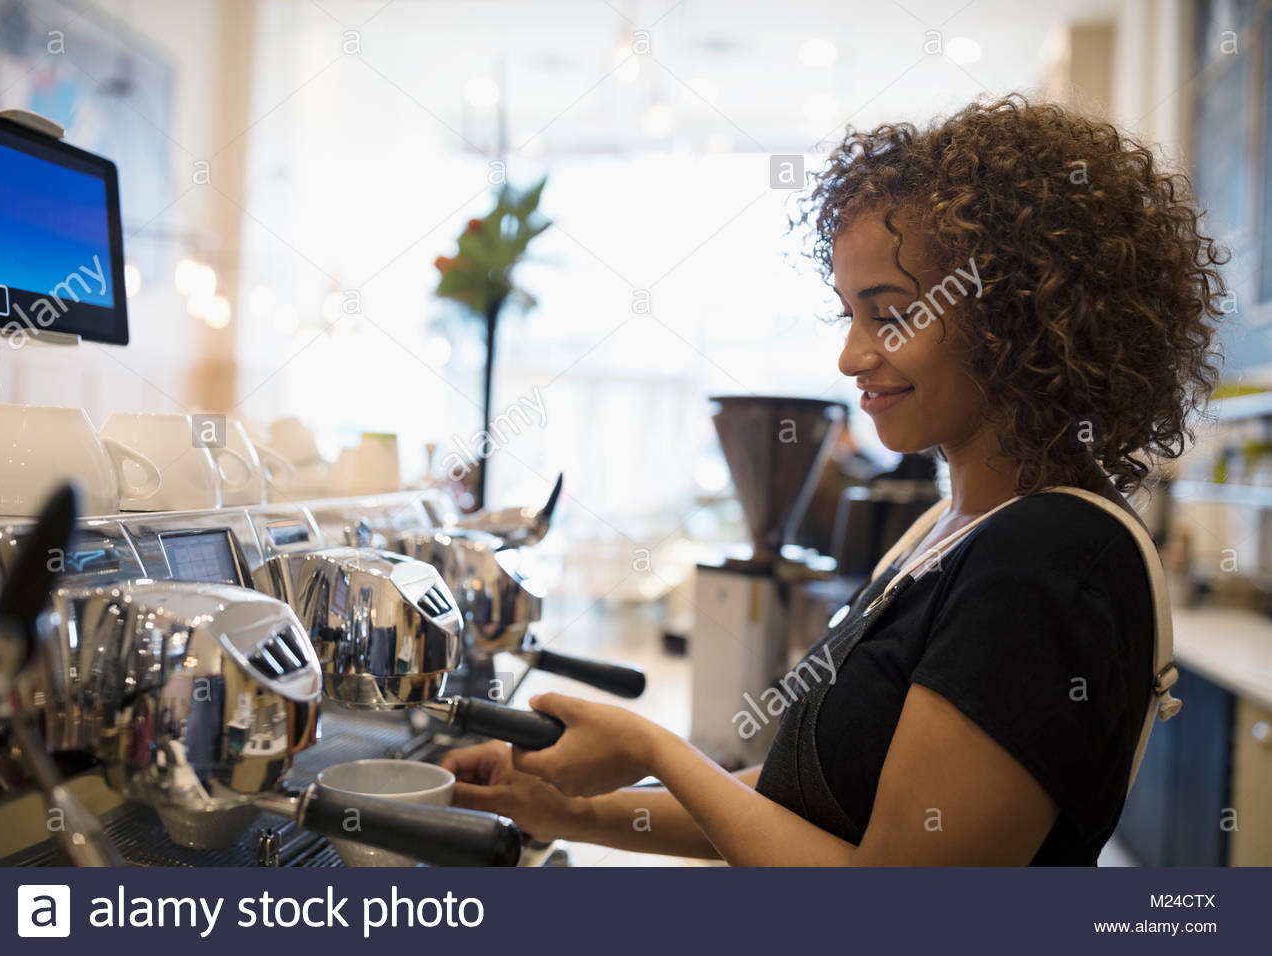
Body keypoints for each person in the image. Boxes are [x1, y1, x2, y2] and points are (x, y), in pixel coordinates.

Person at [440, 94, 1227, 866]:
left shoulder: (1049, 560)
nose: (851, 357)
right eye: (848, 313)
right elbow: (800, 806)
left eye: (889, 315)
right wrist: (553, 807)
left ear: (1015, 318)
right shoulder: (940, 532)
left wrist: (652, 747)